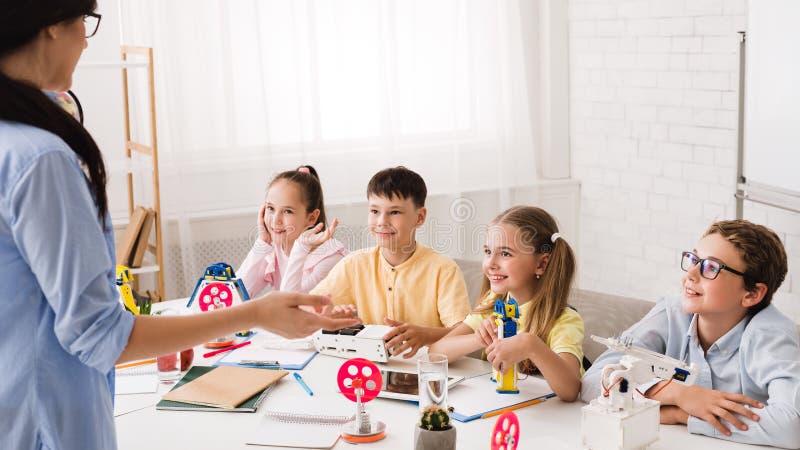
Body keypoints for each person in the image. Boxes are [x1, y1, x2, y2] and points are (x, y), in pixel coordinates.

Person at [0, 3, 359, 449]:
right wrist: (255, 312)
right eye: (85, 23)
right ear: (52, 25)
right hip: (46, 419)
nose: (87, 41)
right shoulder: (41, 159)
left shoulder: (16, 146)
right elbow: (101, 335)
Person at [580, 219, 800, 448]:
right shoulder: (671, 313)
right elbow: (593, 381)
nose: (691, 275)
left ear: (752, 294)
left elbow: (791, 427)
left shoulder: (770, 334)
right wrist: (679, 395)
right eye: (694, 260)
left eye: (711, 267)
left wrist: (683, 415)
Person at [311, 166, 471, 358]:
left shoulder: (443, 269)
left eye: (394, 212)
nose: (381, 221)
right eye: (374, 211)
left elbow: (464, 333)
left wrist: (425, 335)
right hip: (370, 370)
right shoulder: (354, 265)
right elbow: (307, 312)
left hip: (428, 370)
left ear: (420, 217)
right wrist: (326, 317)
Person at [429, 206, 584, 401]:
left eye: (505, 254)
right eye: (488, 251)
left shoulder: (564, 320)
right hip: (499, 406)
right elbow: (435, 354)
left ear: (541, 264)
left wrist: (531, 345)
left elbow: (570, 390)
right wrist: (480, 338)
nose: (490, 263)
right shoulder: (493, 304)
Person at [237, 165, 346, 295]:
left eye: (288, 211)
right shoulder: (274, 250)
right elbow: (236, 295)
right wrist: (262, 242)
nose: (276, 220)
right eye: (271, 208)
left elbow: (290, 304)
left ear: (311, 218)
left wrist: (301, 248)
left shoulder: (330, 260)